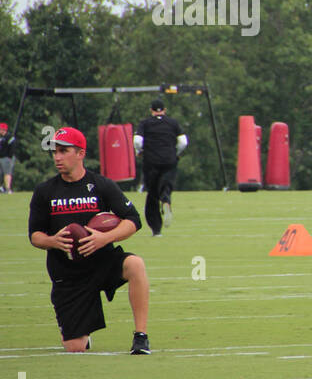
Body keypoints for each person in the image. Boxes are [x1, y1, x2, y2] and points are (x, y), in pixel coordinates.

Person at [27, 127, 151, 354]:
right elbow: (34, 235)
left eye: (64, 151)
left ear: (80, 153)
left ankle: (141, 337)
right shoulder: (45, 191)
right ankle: (82, 335)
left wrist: (105, 238)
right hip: (69, 276)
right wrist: (53, 241)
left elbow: (133, 220)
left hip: (102, 262)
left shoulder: (102, 185)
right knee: (75, 348)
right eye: (55, 151)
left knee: (135, 264)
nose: (57, 157)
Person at [134, 98, 186, 236]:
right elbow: (183, 142)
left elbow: (137, 141)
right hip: (169, 159)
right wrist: (176, 153)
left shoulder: (144, 123)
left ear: (151, 110)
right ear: (164, 110)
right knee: (166, 184)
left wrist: (139, 152)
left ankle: (156, 230)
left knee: (152, 194)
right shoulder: (173, 123)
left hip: (150, 161)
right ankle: (166, 200)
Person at [0, 121, 15, 193]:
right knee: (2, 173)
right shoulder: (2, 138)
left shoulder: (9, 137)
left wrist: (9, 156)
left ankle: (8, 188)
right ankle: (3, 187)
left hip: (6, 157)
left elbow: (12, 147)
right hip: (2, 158)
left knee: (7, 173)